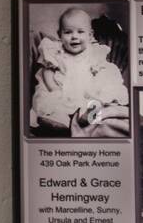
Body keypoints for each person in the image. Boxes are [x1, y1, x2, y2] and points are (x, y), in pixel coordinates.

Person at [30, 8, 129, 136]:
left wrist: (97, 77)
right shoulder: (54, 51)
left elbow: (101, 70)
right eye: (68, 32)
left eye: (80, 32)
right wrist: (53, 88)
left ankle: (89, 115)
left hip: (86, 91)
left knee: (98, 100)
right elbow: (47, 71)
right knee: (51, 103)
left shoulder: (95, 52)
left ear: (90, 35)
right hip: (62, 89)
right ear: (59, 34)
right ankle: (60, 121)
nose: (74, 36)